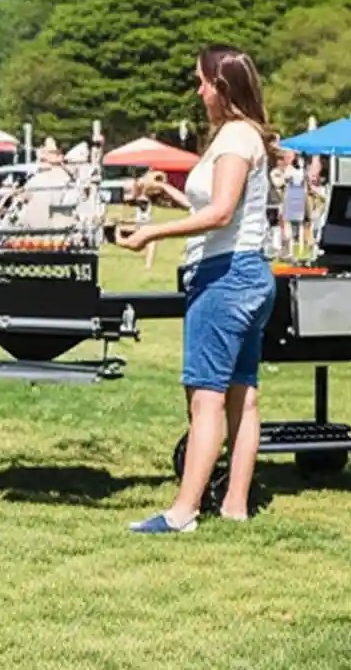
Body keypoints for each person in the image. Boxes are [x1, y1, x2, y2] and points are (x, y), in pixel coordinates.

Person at [118, 44, 278, 533]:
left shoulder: (233, 138)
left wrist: (151, 233)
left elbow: (222, 212)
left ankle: (183, 512)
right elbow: (221, 209)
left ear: (221, 87)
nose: (198, 90)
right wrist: (169, 194)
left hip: (225, 278)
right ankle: (234, 505)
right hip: (249, 274)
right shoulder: (243, 136)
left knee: (205, 397)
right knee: (242, 396)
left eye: (202, 81)